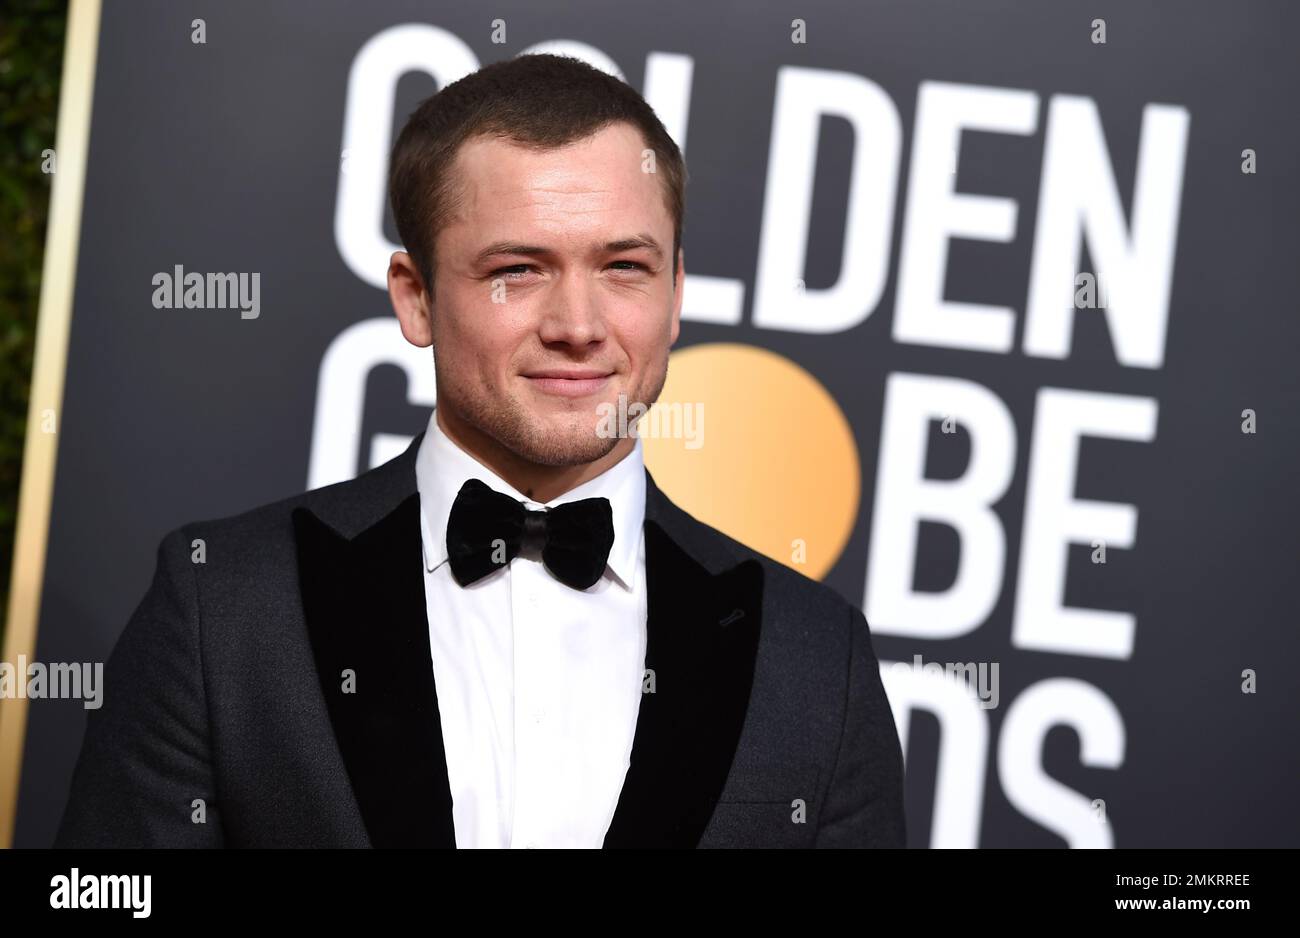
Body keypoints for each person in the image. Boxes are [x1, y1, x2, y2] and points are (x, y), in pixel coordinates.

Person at [55, 53, 904, 848]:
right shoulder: (225, 609)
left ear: (676, 294)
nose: (577, 326)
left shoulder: (813, 660)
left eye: (623, 268)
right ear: (416, 299)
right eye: (519, 270)